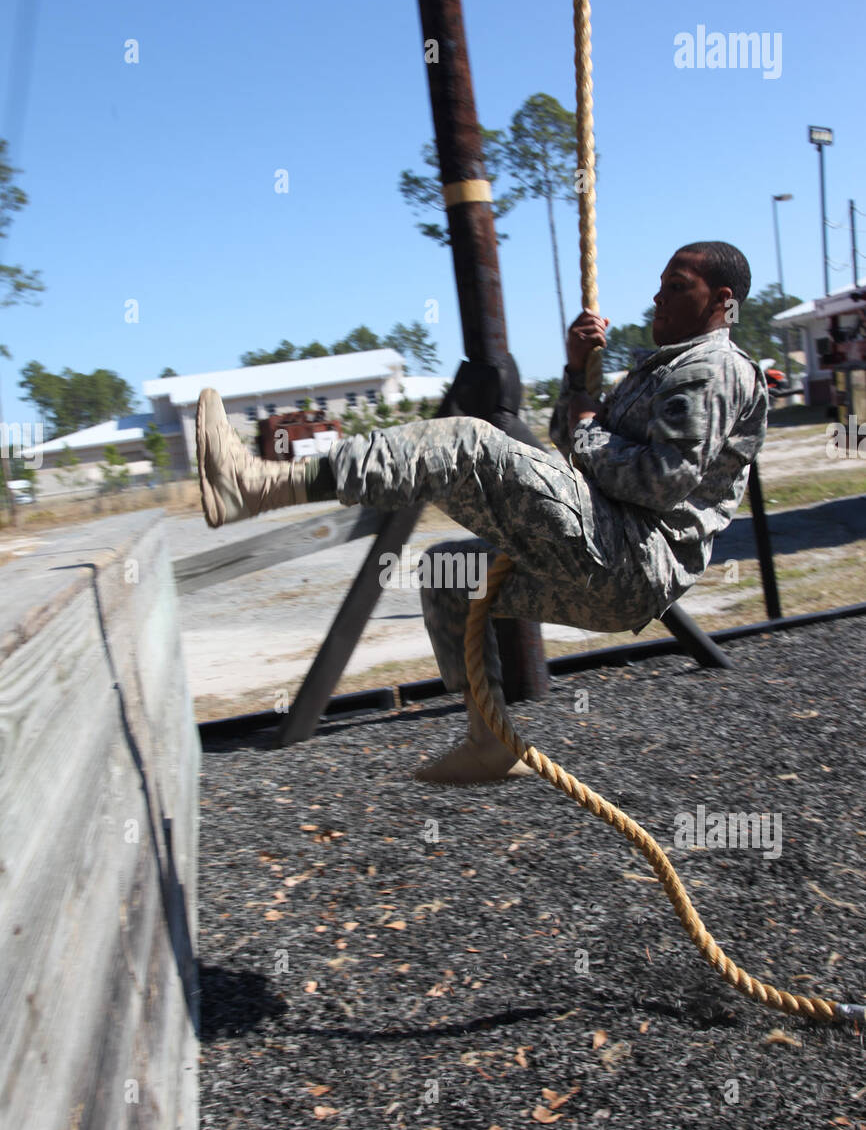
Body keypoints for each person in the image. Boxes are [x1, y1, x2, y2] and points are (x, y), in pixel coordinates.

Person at [196, 240, 767, 783]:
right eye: (660, 284)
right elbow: (579, 445)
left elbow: (658, 480)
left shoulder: (717, 369)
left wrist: (590, 425)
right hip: (611, 551)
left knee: (464, 444)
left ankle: (260, 486)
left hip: (635, 555)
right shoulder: (667, 367)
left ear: (722, 302)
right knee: (451, 575)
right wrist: (575, 376)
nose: (657, 297)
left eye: (675, 285)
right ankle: (489, 739)